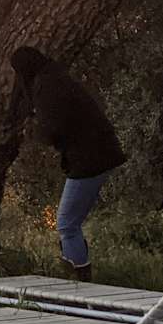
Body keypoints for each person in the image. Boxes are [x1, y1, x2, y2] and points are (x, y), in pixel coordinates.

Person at [11, 45, 126, 282]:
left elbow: (52, 128)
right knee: (69, 222)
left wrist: (34, 131)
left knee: (66, 224)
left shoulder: (48, 88)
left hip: (90, 159)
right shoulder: (54, 78)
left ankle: (79, 283)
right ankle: (77, 275)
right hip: (97, 155)